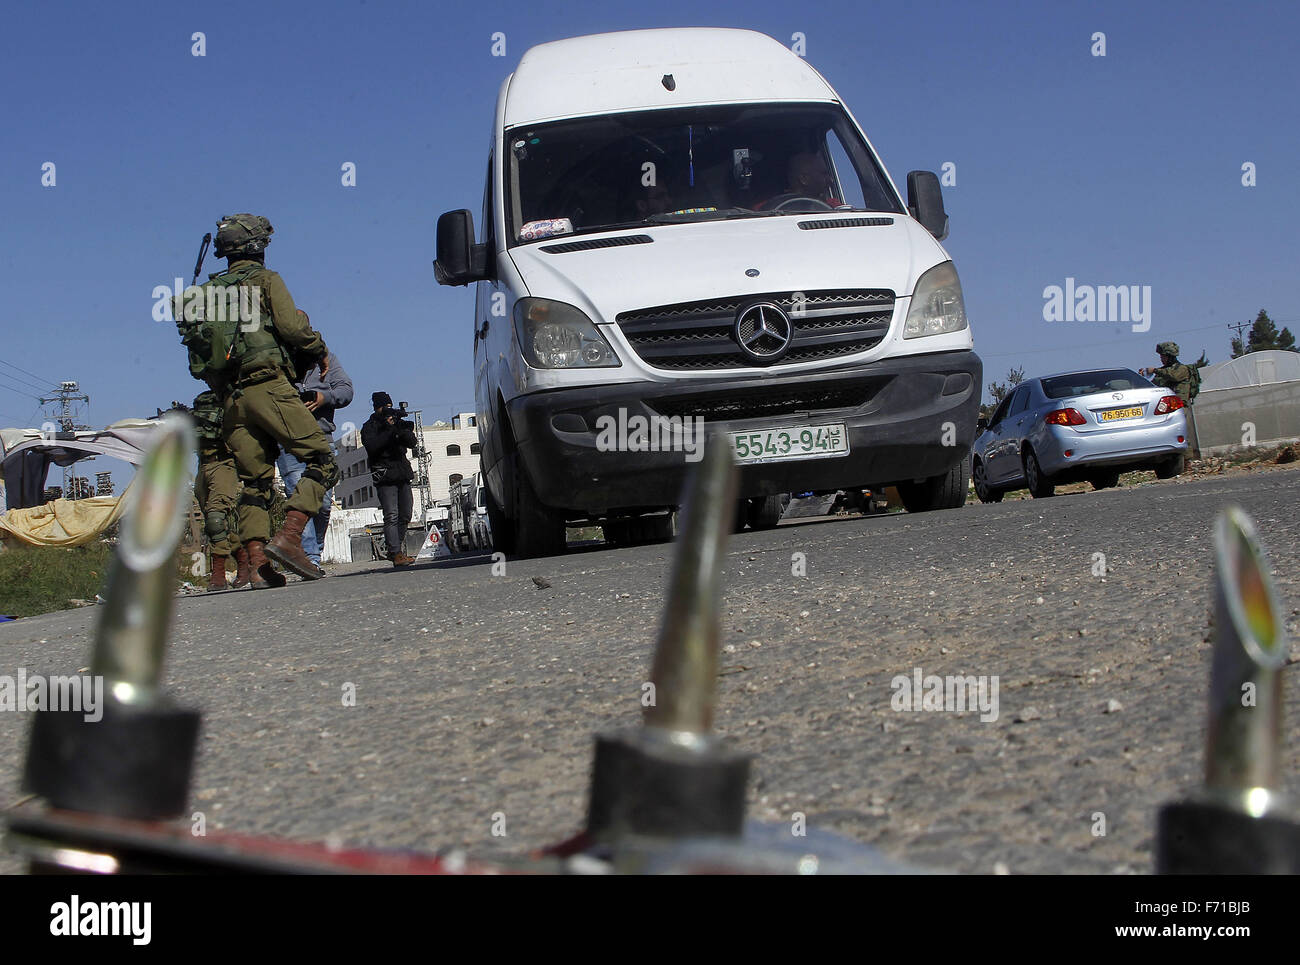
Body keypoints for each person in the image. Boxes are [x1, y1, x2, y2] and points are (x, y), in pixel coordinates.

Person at [209, 213, 340, 586]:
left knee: (254, 482)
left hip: (231, 400)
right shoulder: (266, 280)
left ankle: (257, 567)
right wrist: (319, 349)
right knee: (323, 461)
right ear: (257, 247)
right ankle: (291, 537)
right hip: (268, 385)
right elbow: (291, 327)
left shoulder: (208, 292)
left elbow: (201, 358)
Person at [275, 327, 353, 576]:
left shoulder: (326, 359)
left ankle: (313, 553)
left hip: (321, 436)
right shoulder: (275, 359)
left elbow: (346, 390)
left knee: (322, 503)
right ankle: (309, 558)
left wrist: (323, 397)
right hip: (288, 439)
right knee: (298, 493)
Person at [192, 390, 250, 591]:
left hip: (224, 464)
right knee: (213, 524)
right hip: (203, 466)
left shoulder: (233, 399)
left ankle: (218, 574)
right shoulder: (202, 400)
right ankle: (243, 558)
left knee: (216, 519)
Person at [361, 391, 417, 567]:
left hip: (401, 473)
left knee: (406, 513)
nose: (387, 410)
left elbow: (411, 442)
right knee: (391, 515)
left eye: (389, 406)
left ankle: (396, 549)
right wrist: (388, 429)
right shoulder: (370, 426)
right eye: (384, 407)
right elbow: (373, 446)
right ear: (377, 408)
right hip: (384, 475)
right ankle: (395, 552)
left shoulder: (396, 423)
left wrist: (399, 427)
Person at [1140, 341, 1201, 457]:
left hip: (1180, 406)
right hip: (1167, 407)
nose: (1161, 359)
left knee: (1183, 433)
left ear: (1169, 356)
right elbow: (1155, 384)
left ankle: (1187, 460)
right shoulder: (1164, 371)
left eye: (1163, 356)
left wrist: (1155, 370)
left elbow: (1174, 375)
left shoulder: (1182, 369)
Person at [759, 152, 843, 210]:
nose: (831, 180)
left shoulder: (833, 206)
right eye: (824, 174)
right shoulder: (767, 208)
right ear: (804, 179)